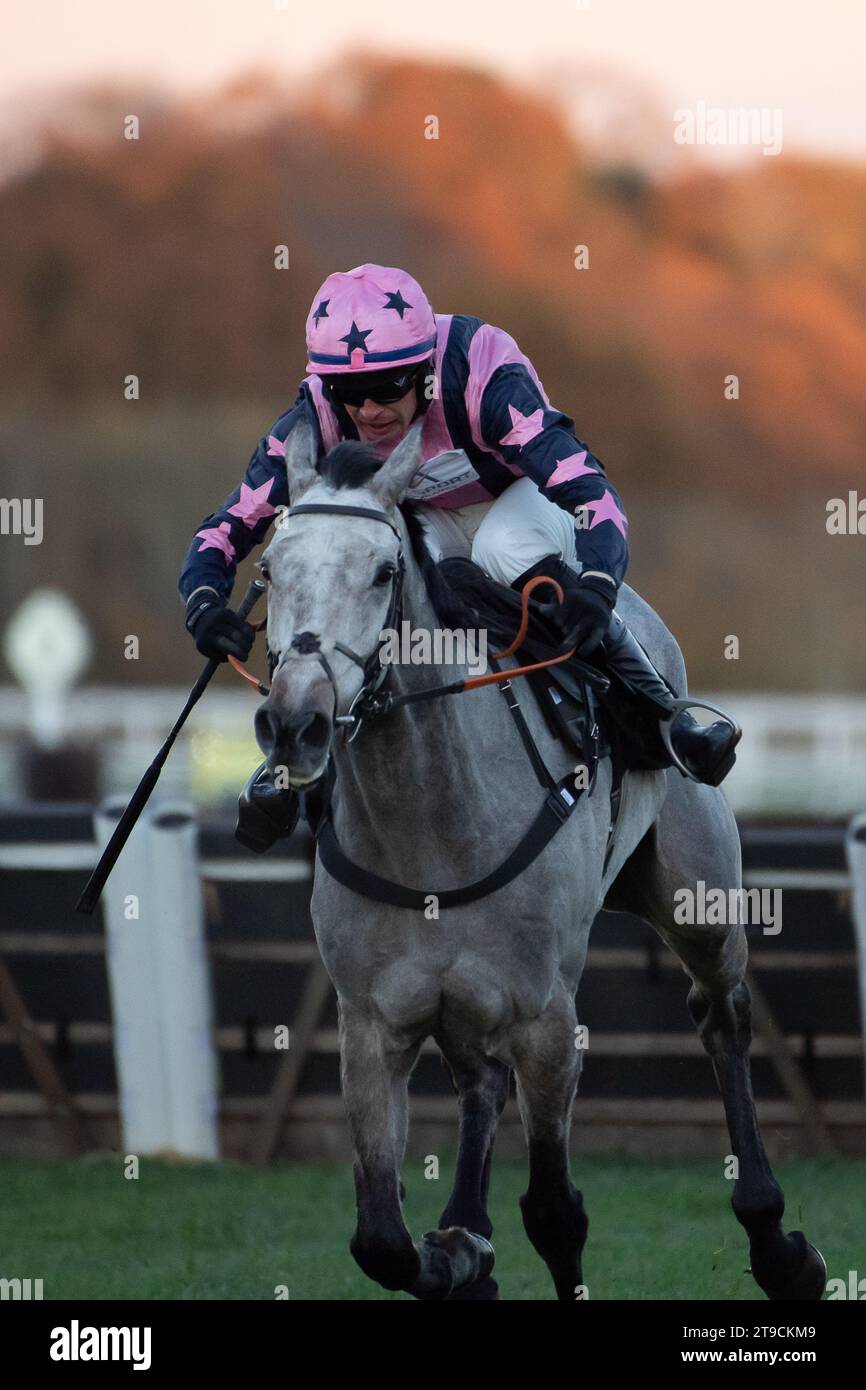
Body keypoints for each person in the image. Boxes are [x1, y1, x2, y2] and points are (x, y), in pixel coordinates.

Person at [180, 264, 739, 845]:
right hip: (423, 522)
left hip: (519, 502)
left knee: (503, 544)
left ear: (423, 369)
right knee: (323, 541)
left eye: (390, 387)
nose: (369, 410)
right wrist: (204, 601)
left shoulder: (481, 372)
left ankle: (664, 711)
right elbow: (228, 526)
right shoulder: (316, 411)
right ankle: (292, 750)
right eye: (351, 394)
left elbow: (591, 493)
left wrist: (597, 585)